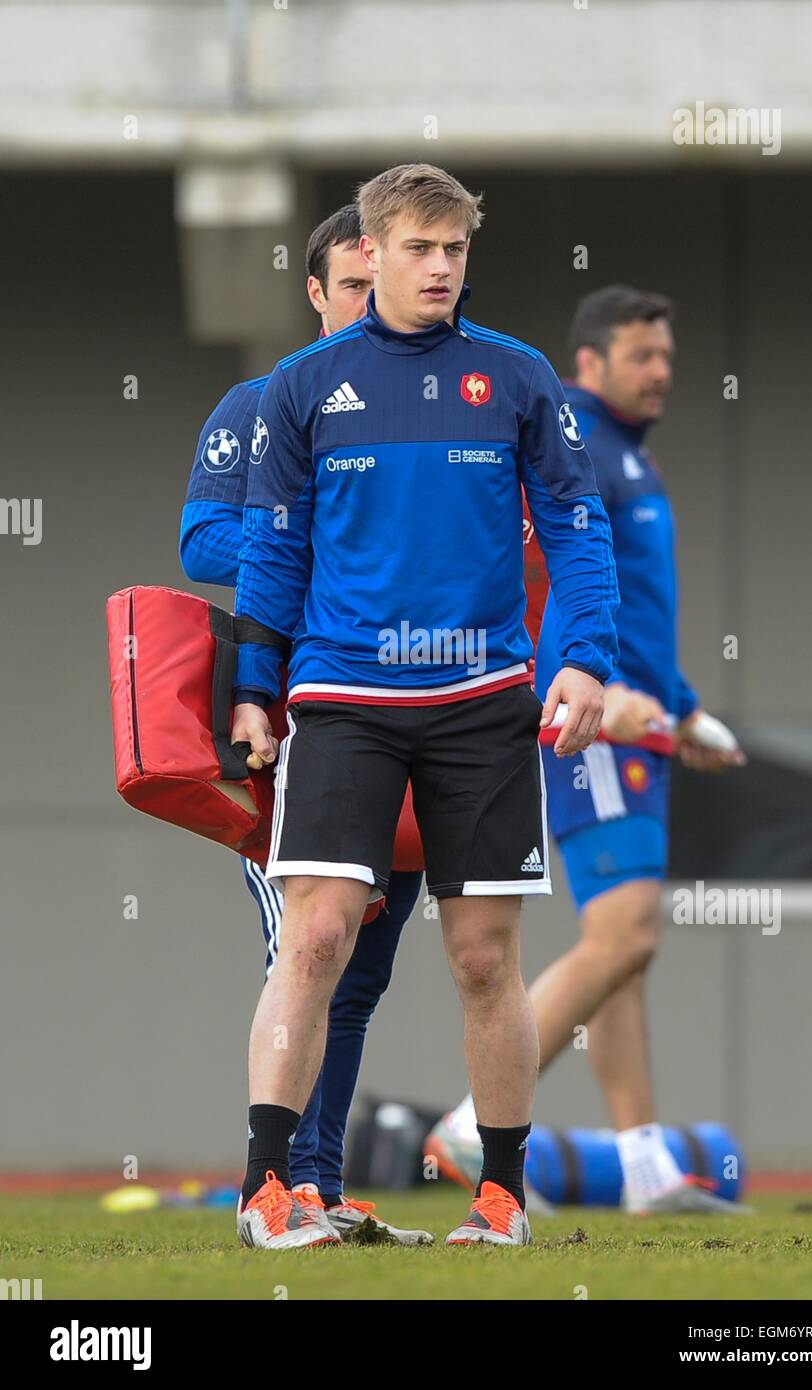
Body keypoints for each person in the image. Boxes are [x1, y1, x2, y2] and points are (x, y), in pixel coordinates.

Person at [230, 163, 619, 1249]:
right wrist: (254, 693)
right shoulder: (303, 388)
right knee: (314, 938)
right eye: (420, 247)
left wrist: (583, 657)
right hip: (342, 701)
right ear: (375, 249)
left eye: (456, 249)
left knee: (486, 957)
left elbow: (580, 529)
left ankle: (501, 1197)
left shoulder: (520, 376)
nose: (441, 266)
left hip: (483, 703)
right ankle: (268, 1192)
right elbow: (270, 551)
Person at [427, 285, 746, 1215]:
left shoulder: (628, 457)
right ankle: (462, 1126)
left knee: (624, 952)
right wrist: (594, 688)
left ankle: (644, 1163)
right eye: (642, 356)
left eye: (668, 359)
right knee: (626, 934)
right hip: (596, 719)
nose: (661, 374)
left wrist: (681, 711)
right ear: (590, 362)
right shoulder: (577, 442)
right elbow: (562, 579)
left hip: (640, 721)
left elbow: (638, 608)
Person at [180, 205, 430, 1244]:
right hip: (288, 714)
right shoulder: (262, 400)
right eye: (355, 288)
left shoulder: (436, 401)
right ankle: (270, 1189)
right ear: (319, 295)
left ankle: (317, 1187)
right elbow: (202, 541)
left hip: (420, 708)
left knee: (366, 969)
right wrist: (325, 516)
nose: (373, 307)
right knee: (309, 940)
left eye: (389, 285)